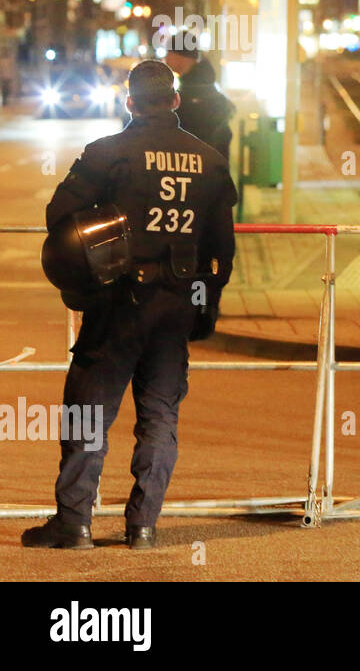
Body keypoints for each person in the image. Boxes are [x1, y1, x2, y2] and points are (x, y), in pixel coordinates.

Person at [22, 60, 237, 550]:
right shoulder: (209, 160)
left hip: (117, 305)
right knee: (159, 416)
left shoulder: (108, 154)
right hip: (176, 307)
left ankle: (74, 524)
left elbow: (59, 215)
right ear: (175, 101)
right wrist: (207, 308)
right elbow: (222, 250)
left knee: (88, 412)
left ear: (130, 102)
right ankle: (143, 527)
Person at [163, 47, 236, 159]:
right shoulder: (196, 83)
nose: (166, 59)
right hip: (209, 164)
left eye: (170, 53)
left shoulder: (194, 89)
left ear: (183, 57)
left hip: (202, 163)